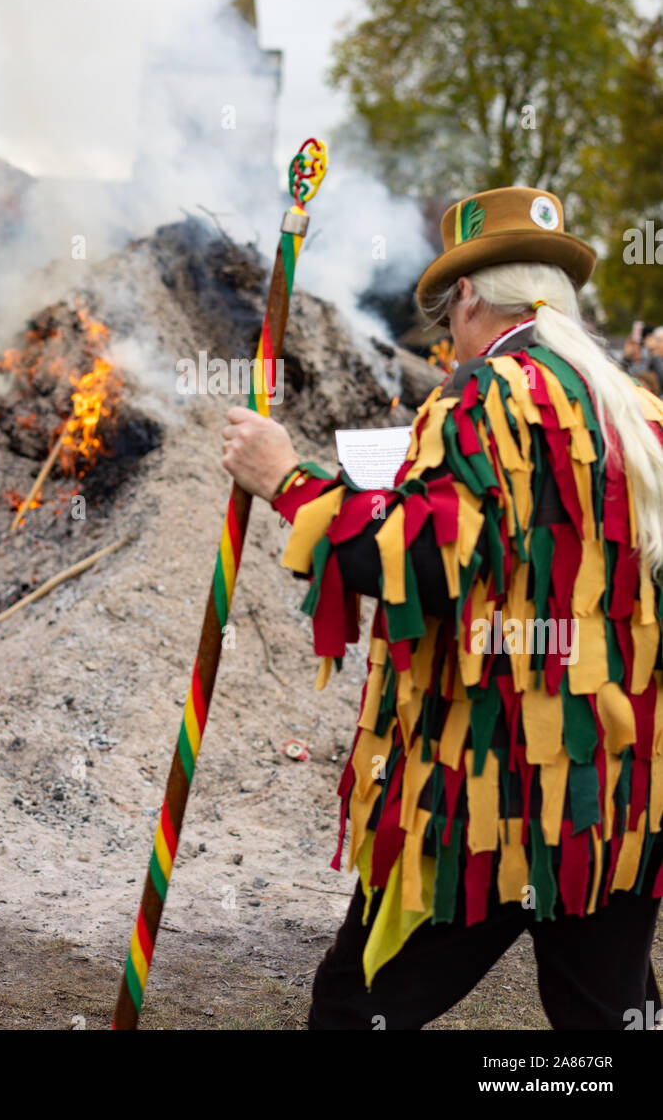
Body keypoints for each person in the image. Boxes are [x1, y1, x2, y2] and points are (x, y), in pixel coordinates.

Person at [221, 186, 663, 1031]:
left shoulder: (485, 395)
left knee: (355, 1010)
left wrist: (285, 479)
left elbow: (412, 569)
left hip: (488, 797)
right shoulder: (639, 411)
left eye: (446, 312)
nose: (444, 338)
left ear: (468, 297)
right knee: (606, 1021)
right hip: (617, 798)